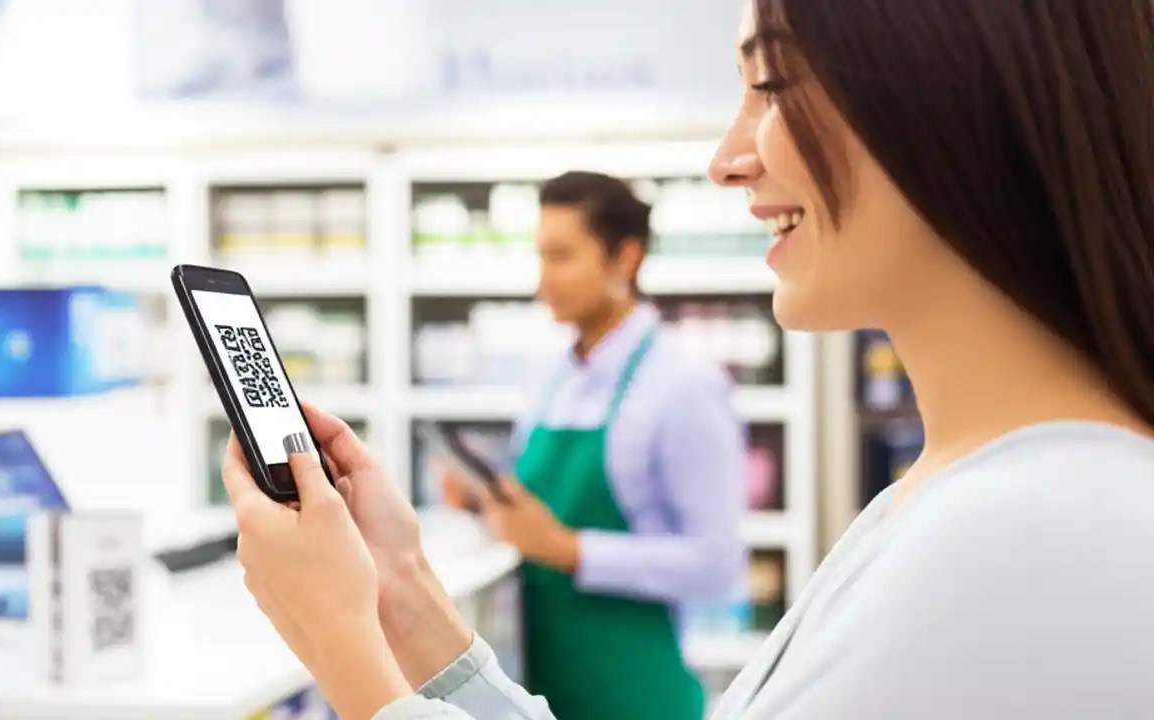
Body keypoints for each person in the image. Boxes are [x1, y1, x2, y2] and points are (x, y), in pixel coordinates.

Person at [220, 1, 1154, 718]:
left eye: (775, 86)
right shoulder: (960, 499)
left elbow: (709, 564)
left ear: (949, 91)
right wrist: (398, 593)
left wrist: (340, 642)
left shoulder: (1031, 527)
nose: (726, 156)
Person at [433, 170, 746, 720]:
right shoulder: (554, 375)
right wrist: (486, 502)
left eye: (561, 257)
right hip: (549, 693)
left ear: (625, 258)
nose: (541, 282)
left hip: (637, 699)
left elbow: (717, 565)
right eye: (539, 257)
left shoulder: (683, 383)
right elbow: (541, 517)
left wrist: (570, 549)